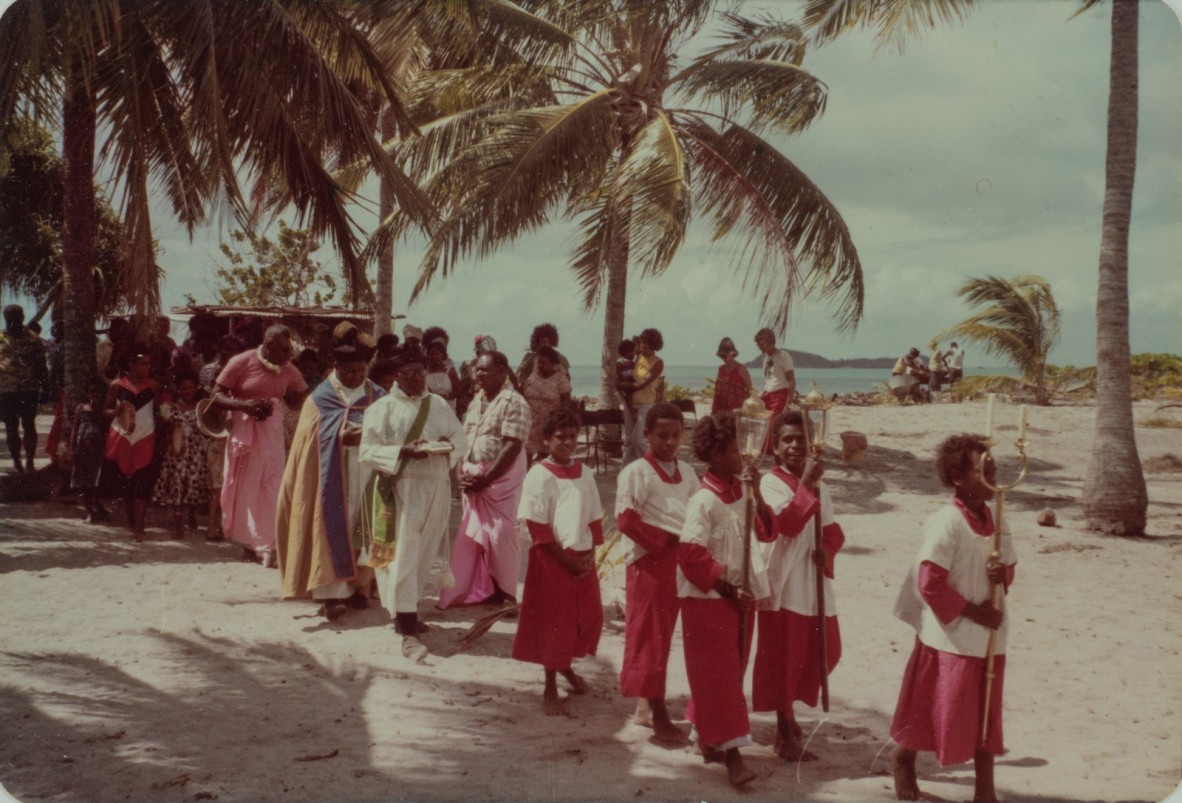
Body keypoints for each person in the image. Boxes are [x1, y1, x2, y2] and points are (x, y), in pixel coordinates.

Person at [889, 434, 1016, 802]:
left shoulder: (998, 518)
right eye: (983, 471)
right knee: (930, 704)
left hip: (990, 632)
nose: (992, 478)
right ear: (959, 478)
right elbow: (929, 582)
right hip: (951, 633)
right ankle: (903, 757)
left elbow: (1009, 566)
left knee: (985, 710)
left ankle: (985, 792)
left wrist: (1001, 575)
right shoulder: (947, 522)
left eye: (993, 469)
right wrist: (975, 612)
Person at [677, 412, 771, 789]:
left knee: (730, 669)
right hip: (709, 598)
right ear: (714, 453)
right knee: (720, 674)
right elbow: (690, 554)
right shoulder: (704, 500)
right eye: (735, 449)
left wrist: (759, 490)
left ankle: (704, 733)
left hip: (738, 595)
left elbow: (764, 531)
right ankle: (733, 754)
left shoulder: (740, 489)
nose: (743, 456)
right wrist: (729, 588)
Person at [360, 349, 466, 660]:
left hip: (436, 485)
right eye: (411, 373)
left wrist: (444, 450)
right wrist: (403, 451)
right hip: (402, 488)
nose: (418, 378)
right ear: (396, 376)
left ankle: (408, 612)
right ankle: (407, 628)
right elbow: (368, 450)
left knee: (424, 553)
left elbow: (460, 439)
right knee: (404, 554)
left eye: (422, 372)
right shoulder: (382, 408)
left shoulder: (438, 404)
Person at [752, 410, 845, 761]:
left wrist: (827, 550)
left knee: (826, 649)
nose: (795, 445)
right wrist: (806, 481)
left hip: (813, 578)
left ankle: (789, 715)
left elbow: (833, 530)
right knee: (784, 657)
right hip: (786, 580)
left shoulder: (821, 484)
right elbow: (786, 525)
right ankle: (783, 727)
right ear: (775, 447)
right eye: (787, 440)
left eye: (801, 439)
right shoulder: (771, 483)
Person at [276, 344, 387, 621]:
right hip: (331, 475)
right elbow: (310, 440)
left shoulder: (378, 395)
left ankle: (361, 587)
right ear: (337, 369)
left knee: (365, 527)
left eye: (361, 370)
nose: (356, 376)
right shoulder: (322, 398)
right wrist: (342, 437)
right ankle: (332, 595)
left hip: (368, 472)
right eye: (349, 371)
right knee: (329, 527)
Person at [615, 402, 698, 742]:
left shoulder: (689, 472)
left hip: (681, 559)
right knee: (649, 635)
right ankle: (656, 709)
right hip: (651, 560)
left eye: (676, 436)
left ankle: (644, 708)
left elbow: (696, 512)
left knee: (667, 635)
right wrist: (663, 541)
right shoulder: (636, 472)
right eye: (662, 435)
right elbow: (626, 519)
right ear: (646, 434)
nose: (669, 442)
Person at [513, 409, 604, 715]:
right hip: (552, 556)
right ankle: (550, 684)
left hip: (581, 557)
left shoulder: (585, 473)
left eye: (572, 437)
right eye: (560, 437)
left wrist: (592, 555)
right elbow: (538, 526)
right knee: (555, 623)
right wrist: (567, 562)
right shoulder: (539, 475)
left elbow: (594, 515)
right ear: (546, 439)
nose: (567, 443)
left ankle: (566, 667)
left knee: (587, 617)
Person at [438, 350, 531, 609]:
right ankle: (485, 591)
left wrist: (487, 479)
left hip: (502, 482)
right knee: (473, 535)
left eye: (485, 369)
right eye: (477, 368)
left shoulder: (514, 402)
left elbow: (512, 446)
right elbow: (465, 438)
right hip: (474, 479)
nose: (478, 373)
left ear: (502, 372)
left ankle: (507, 595)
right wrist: (462, 472)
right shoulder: (476, 400)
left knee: (502, 536)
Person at [213, 324, 308, 567]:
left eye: (291, 350)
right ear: (268, 346)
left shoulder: (288, 369)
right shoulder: (241, 362)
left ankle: (269, 545)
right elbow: (216, 396)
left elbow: (298, 400)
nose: (289, 355)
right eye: (285, 350)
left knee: (272, 488)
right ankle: (248, 543)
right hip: (245, 434)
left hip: (272, 436)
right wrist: (244, 406)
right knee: (246, 487)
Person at [101, 351, 161, 540]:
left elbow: (158, 412)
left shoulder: (153, 386)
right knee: (127, 482)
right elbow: (105, 411)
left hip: (145, 436)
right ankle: (131, 521)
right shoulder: (116, 385)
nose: (147, 367)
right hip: (123, 437)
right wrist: (115, 411)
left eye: (149, 364)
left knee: (142, 481)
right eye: (143, 364)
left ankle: (139, 527)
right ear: (132, 364)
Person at [151, 369, 209, 537]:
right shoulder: (171, 407)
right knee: (177, 485)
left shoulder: (201, 407)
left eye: (191, 387)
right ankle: (178, 527)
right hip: (176, 452)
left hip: (195, 453)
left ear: (196, 387)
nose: (187, 391)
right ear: (178, 389)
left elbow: (206, 429)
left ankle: (191, 515)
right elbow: (164, 427)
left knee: (192, 484)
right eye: (184, 388)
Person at [0, 304, 48, 473]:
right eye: (7, 318)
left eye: (14, 318)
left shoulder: (33, 339)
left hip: (29, 388)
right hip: (6, 390)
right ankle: (17, 463)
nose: (10, 322)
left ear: (21, 318)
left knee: (29, 425)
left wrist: (46, 388)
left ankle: (29, 462)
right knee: (11, 427)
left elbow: (42, 366)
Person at [69, 378, 112, 523]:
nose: (95, 395)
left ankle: (98, 507)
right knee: (82, 482)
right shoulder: (81, 408)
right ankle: (89, 511)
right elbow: (75, 428)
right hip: (82, 449)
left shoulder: (102, 410)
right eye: (92, 392)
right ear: (87, 394)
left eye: (98, 392)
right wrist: (71, 447)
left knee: (95, 481)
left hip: (97, 450)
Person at [622, 328, 664, 466]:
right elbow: (625, 371)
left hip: (646, 404)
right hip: (630, 403)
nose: (642, 347)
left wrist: (619, 384)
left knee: (639, 440)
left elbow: (642, 384)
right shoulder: (637, 356)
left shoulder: (658, 363)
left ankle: (653, 466)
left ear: (653, 346)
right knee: (628, 441)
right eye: (641, 344)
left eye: (645, 345)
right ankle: (625, 472)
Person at [521, 345, 572, 460]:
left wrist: (559, 421)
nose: (540, 366)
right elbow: (523, 395)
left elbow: (566, 401)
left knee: (547, 458)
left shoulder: (560, 379)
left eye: (543, 363)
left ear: (553, 363)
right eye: (538, 363)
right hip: (531, 426)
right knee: (526, 456)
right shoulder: (532, 377)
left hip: (549, 426)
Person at [457, 334, 497, 419]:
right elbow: (462, 387)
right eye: (478, 348)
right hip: (471, 400)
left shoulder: (495, 364)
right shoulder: (468, 363)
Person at [711, 337, 753, 414]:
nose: (722, 358)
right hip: (719, 409)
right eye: (721, 355)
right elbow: (718, 391)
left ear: (732, 354)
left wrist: (741, 402)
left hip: (735, 410)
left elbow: (750, 390)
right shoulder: (721, 369)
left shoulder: (741, 369)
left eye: (724, 355)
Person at [424, 337, 460, 411]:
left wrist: (446, 396)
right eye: (431, 354)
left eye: (436, 354)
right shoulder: (424, 372)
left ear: (442, 355)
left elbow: (459, 391)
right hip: (430, 409)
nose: (433, 357)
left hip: (448, 408)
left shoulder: (450, 370)